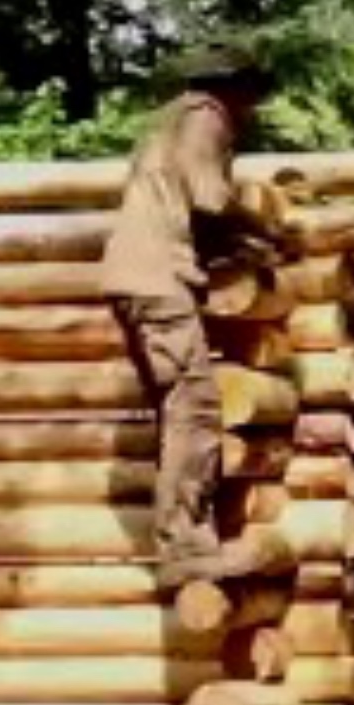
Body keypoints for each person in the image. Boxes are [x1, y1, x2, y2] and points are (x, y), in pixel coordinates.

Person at [98, 42, 285, 588]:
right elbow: (210, 199)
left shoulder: (169, 125)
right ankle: (185, 547)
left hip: (140, 274)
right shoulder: (206, 118)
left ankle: (183, 538)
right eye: (250, 98)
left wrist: (242, 251)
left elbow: (191, 216)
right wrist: (270, 229)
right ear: (234, 89)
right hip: (157, 281)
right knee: (195, 409)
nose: (251, 111)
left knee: (181, 405)